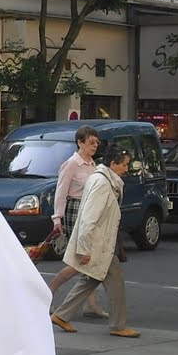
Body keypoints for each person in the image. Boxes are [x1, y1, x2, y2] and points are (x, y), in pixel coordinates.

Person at [50, 147, 140, 338]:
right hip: (98, 244)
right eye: (124, 164)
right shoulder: (102, 183)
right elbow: (89, 218)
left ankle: (62, 314)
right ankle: (118, 325)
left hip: (99, 243)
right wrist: (84, 248)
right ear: (113, 164)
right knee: (114, 282)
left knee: (90, 279)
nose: (126, 168)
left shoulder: (101, 179)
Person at [45, 125, 107, 320]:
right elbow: (61, 193)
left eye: (97, 142)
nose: (95, 145)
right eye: (91, 142)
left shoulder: (93, 165)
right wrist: (57, 219)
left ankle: (91, 305)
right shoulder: (71, 164)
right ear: (80, 142)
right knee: (81, 259)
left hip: (90, 211)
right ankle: (49, 292)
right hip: (75, 211)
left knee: (88, 258)